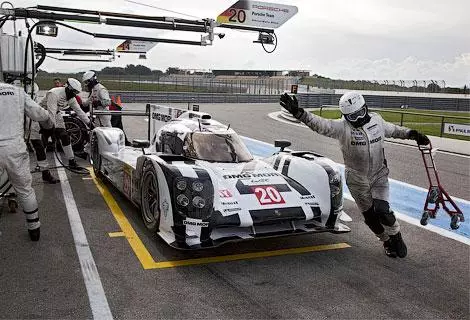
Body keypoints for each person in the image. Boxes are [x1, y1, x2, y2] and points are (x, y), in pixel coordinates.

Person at [280, 91, 430, 258]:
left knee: (382, 210)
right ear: (345, 116)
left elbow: (394, 130)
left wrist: (413, 134)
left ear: (365, 108)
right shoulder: (342, 127)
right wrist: (299, 113)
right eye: (353, 117)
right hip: (356, 179)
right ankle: (386, 240)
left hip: (379, 175)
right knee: (370, 217)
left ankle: (396, 236)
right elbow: (320, 124)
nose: (358, 119)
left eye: (360, 114)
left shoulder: (377, 121)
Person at [0, 76, 54, 241]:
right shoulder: (17, 92)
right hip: (15, 149)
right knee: (24, 190)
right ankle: (34, 229)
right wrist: (49, 124)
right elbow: (39, 113)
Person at [39, 78, 91, 169]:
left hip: (56, 113)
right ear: (68, 88)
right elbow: (51, 112)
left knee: (64, 135)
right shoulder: (54, 94)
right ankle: (41, 164)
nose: (75, 94)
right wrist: (52, 131)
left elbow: (79, 111)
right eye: (74, 92)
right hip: (43, 113)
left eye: (76, 92)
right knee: (45, 138)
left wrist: (89, 123)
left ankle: (72, 162)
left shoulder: (71, 97)